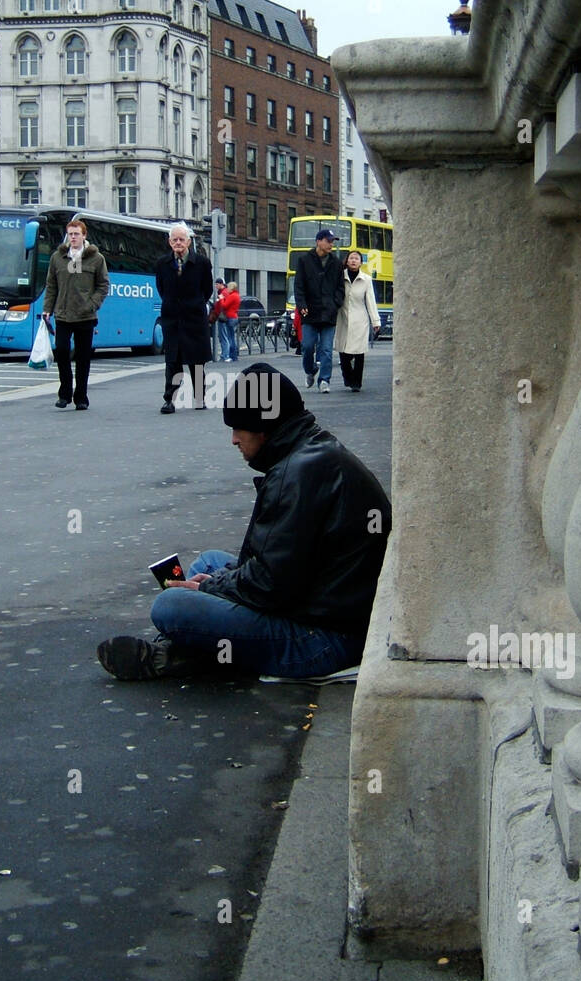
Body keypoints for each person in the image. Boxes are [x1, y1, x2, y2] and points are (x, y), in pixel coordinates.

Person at [96, 362, 392, 682]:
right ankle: (197, 651)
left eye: (239, 428)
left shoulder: (295, 475)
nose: (234, 440)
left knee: (170, 606)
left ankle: (185, 654)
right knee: (210, 561)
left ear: (264, 426)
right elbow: (276, 569)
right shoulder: (310, 452)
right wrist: (216, 583)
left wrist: (210, 587)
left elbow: (269, 586)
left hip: (324, 640)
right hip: (326, 608)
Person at [41, 218, 109, 411]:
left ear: (84, 235)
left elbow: (103, 285)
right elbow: (51, 285)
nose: (73, 237)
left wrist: (93, 304)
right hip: (63, 315)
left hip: (85, 316)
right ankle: (64, 393)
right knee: (61, 351)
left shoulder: (96, 259)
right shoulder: (58, 257)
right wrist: (47, 309)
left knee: (83, 358)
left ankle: (81, 397)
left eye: (76, 234)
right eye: (70, 234)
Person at [155, 222, 213, 413]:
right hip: (172, 319)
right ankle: (169, 399)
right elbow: (161, 288)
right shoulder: (162, 264)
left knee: (197, 362)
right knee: (173, 361)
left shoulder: (202, 263)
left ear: (188, 241)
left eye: (182, 239)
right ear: (169, 242)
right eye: (174, 240)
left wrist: (194, 304)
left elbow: (207, 290)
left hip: (194, 319)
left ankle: (199, 398)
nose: (178, 243)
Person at [293, 228, 344, 392]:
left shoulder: (336, 263)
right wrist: (302, 306)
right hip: (310, 312)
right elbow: (298, 286)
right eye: (328, 241)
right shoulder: (304, 260)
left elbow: (340, 288)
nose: (331, 244)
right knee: (307, 346)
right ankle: (310, 370)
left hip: (329, 313)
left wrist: (336, 303)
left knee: (327, 349)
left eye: (332, 241)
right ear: (318, 241)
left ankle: (324, 380)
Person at [336, 250, 381, 393]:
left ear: (361, 262)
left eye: (357, 259)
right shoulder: (339, 277)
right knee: (343, 352)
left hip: (360, 320)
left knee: (359, 352)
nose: (354, 261)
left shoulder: (366, 279)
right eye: (351, 258)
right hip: (342, 318)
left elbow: (371, 301)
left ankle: (357, 382)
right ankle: (347, 376)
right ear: (347, 261)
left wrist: (376, 321)